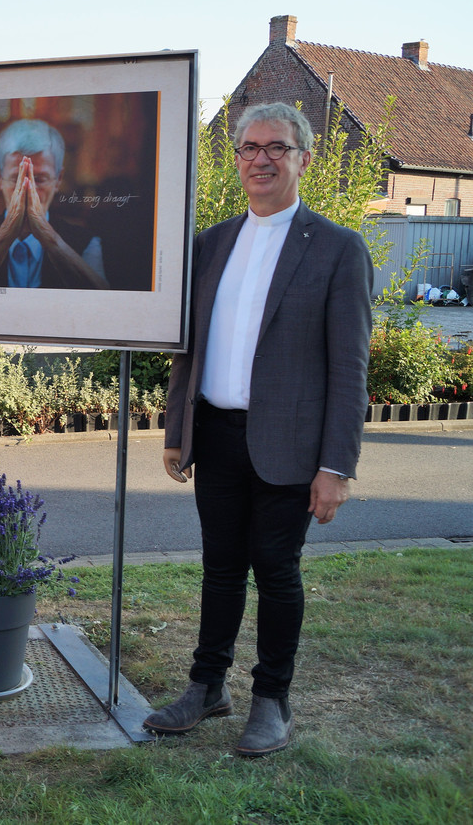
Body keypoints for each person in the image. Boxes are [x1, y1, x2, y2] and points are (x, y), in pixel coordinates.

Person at [146, 102, 372, 757]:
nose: (261, 159)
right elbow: (186, 347)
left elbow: (349, 369)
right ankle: (206, 687)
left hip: (291, 448)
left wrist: (336, 466)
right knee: (219, 568)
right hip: (215, 435)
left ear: (303, 159)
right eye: (249, 147)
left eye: (277, 147)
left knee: (275, 570)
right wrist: (175, 430)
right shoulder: (210, 243)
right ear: (238, 158)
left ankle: (271, 700)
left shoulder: (337, 248)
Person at [0, 118, 108, 290]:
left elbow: (101, 297)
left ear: (58, 179)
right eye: (16, 179)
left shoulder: (87, 242)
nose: (28, 191)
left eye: (39, 179)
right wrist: (6, 232)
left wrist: (49, 238)